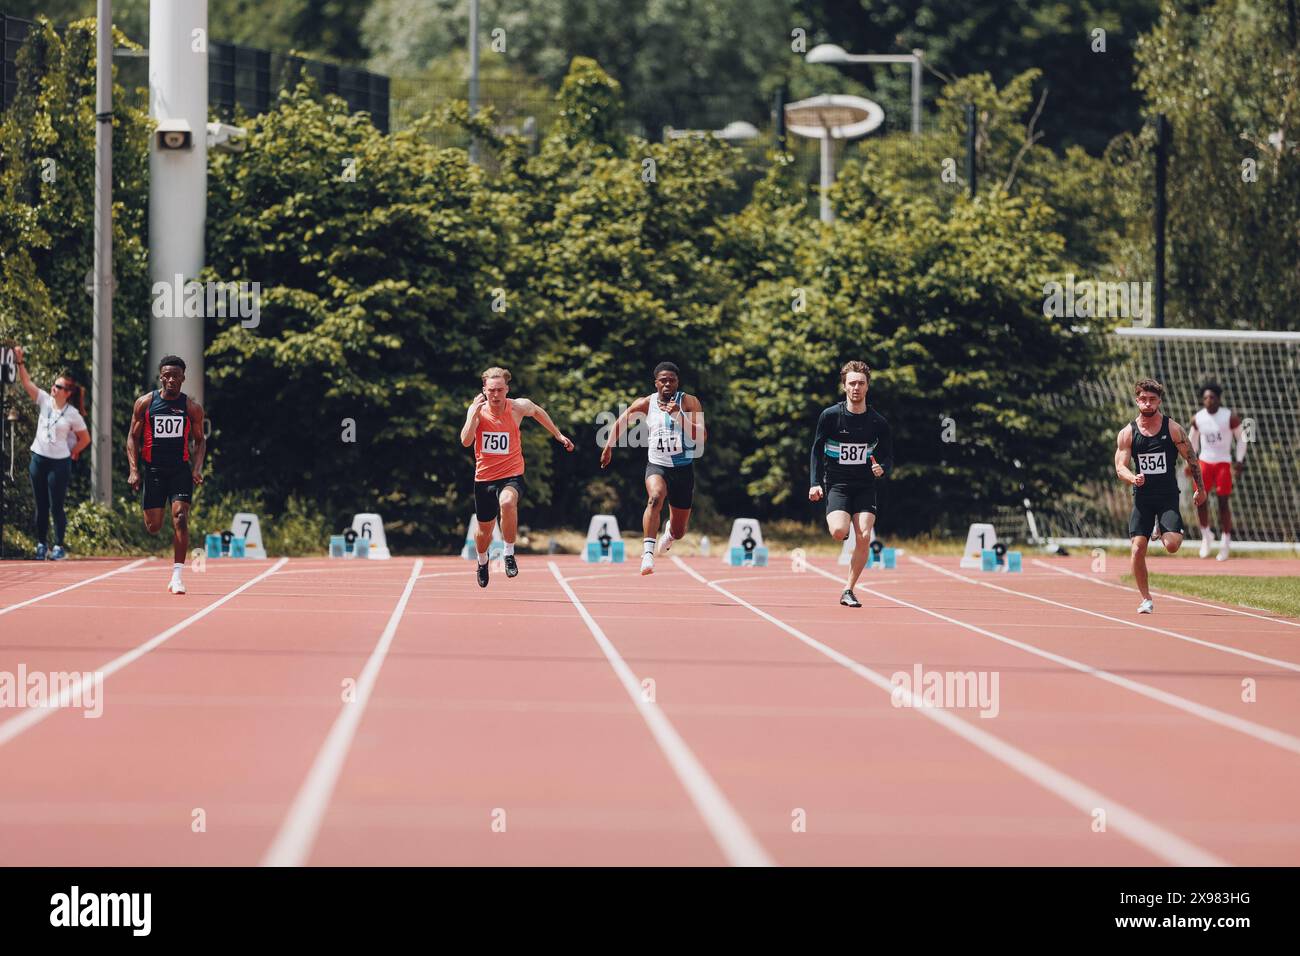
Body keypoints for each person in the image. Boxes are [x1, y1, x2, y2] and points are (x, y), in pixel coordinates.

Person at [461, 366, 573, 587]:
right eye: (491, 390)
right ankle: (482, 561)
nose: (495, 395)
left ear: (506, 389)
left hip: (511, 473)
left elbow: (539, 412)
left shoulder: (518, 407)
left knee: (508, 501)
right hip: (484, 479)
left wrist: (558, 435)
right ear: (484, 389)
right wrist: (473, 414)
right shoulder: (477, 411)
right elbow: (465, 441)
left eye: (500, 390)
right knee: (484, 532)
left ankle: (509, 553)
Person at [599, 362, 707, 575]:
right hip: (657, 464)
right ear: (656, 383)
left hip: (683, 469)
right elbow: (623, 420)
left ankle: (670, 533)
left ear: (677, 382)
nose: (668, 384)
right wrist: (609, 446)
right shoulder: (646, 403)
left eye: (672, 380)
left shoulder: (689, 402)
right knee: (655, 498)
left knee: (679, 531)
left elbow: (702, 436)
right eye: (663, 380)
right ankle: (647, 553)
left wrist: (679, 416)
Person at [1114, 378, 1206, 614]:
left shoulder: (1172, 428)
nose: (1147, 403)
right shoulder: (1127, 433)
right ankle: (1146, 599)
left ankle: (1162, 527)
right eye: (1143, 399)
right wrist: (1132, 478)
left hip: (1167, 496)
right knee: (1137, 549)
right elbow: (1120, 466)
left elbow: (1192, 459)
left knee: (1172, 545)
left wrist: (1201, 488)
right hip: (1143, 499)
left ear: (1159, 401)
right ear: (1137, 400)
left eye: (1152, 399)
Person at [808, 361, 894, 608]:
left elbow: (888, 456)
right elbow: (816, 450)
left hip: (865, 486)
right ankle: (843, 527)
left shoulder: (878, 422)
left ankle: (849, 588)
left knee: (864, 535)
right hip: (837, 484)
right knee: (838, 532)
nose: (856, 388)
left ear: (868, 387)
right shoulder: (830, 416)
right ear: (844, 386)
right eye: (852, 383)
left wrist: (882, 469)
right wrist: (815, 483)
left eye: (861, 383)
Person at [126, 356, 206, 594]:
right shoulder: (145, 403)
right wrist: (133, 470)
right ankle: (154, 518)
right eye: (167, 375)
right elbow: (133, 437)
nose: (171, 379)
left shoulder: (191, 408)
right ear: (160, 377)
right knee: (154, 526)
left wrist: (197, 468)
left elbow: (200, 441)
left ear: (183, 378)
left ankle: (178, 575)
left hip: (179, 470)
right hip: (153, 471)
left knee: (180, 517)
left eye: (176, 376)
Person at [12, 347, 90, 560]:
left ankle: (58, 545)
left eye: (58, 386)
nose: (53, 389)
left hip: (59, 463)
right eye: (54, 385)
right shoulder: (44, 400)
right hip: (39, 457)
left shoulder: (73, 414)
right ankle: (41, 544)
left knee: (56, 505)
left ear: (68, 392)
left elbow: (85, 439)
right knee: (41, 504)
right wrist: (20, 362)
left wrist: (73, 452)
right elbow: (27, 383)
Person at [1187, 381, 1247, 561]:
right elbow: (1192, 441)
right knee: (1200, 499)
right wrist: (1190, 462)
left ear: (1219, 399)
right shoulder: (1198, 418)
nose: (1208, 400)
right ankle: (1206, 536)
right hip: (1204, 462)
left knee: (1223, 503)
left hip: (1223, 463)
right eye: (1205, 398)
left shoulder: (1229, 417)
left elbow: (1241, 439)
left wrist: (1239, 460)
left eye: (1212, 397)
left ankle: (1226, 542)